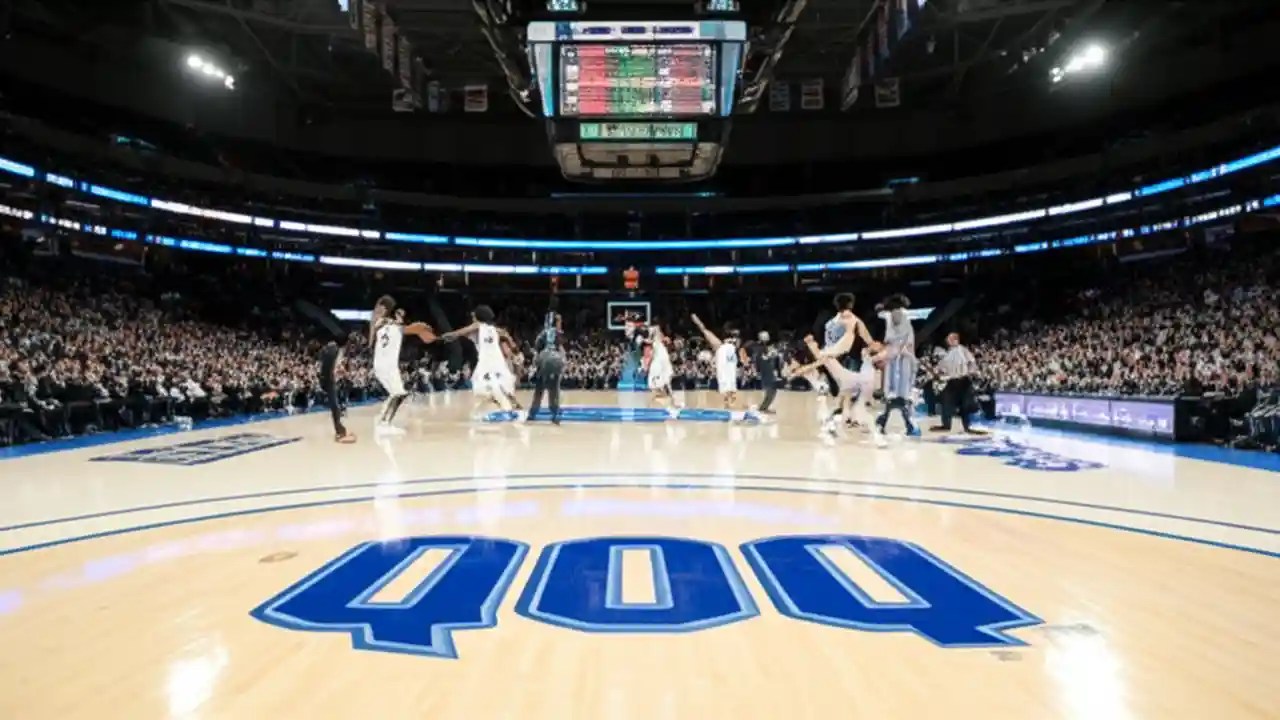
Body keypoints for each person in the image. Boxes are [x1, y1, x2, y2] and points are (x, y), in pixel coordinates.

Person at [368, 296, 434, 435]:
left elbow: (377, 319)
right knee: (399, 393)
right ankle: (384, 424)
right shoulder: (397, 327)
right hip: (388, 366)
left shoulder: (380, 323)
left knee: (397, 393)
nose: (401, 317)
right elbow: (412, 328)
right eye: (399, 314)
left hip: (380, 364)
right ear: (394, 313)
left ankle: (383, 415)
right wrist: (423, 328)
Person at [441, 305, 519, 416]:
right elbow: (506, 336)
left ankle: (504, 405)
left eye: (474, 316)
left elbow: (464, 331)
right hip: (498, 361)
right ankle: (508, 401)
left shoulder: (478, 326)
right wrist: (513, 347)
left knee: (483, 388)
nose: (472, 318)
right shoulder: (495, 329)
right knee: (499, 384)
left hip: (485, 361)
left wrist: (451, 335)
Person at [875, 294, 921, 443]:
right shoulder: (895, 318)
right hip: (897, 360)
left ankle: (886, 423)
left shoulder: (897, 318)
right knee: (898, 396)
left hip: (902, 360)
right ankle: (904, 424)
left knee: (898, 396)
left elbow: (904, 343)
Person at [690, 313, 745, 411]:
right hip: (726, 369)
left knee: (731, 393)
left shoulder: (735, 347)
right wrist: (697, 322)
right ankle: (728, 406)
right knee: (728, 394)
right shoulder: (721, 346)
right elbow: (704, 330)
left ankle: (729, 405)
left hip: (730, 372)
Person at [932, 332, 984, 434]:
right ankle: (946, 425)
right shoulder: (948, 353)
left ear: (956, 340)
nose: (948, 341)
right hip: (952, 380)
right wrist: (938, 371)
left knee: (965, 404)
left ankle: (967, 426)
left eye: (950, 339)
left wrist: (970, 371)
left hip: (963, 380)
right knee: (946, 402)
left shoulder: (962, 350)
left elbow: (972, 362)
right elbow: (942, 366)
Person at [528, 298, 566, 424]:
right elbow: (560, 346)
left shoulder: (542, 333)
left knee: (539, 388)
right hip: (555, 358)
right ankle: (555, 414)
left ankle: (532, 414)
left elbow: (537, 346)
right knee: (554, 388)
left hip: (543, 358)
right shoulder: (558, 333)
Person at [318, 340, 357, 444]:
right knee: (335, 407)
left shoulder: (334, 350)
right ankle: (340, 432)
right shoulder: (336, 350)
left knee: (336, 407)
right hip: (328, 380)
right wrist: (345, 373)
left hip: (327, 378)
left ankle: (340, 430)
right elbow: (334, 367)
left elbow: (332, 365)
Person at [645, 320, 681, 418]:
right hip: (659, 366)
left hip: (663, 365)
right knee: (657, 389)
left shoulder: (661, 343)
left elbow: (666, 343)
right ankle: (669, 407)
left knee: (664, 387)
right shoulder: (654, 343)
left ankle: (672, 406)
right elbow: (649, 346)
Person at [744, 331, 783, 415]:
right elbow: (760, 359)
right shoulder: (760, 349)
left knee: (772, 391)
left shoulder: (762, 348)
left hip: (767, 371)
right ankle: (763, 408)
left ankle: (764, 407)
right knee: (771, 391)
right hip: (766, 372)